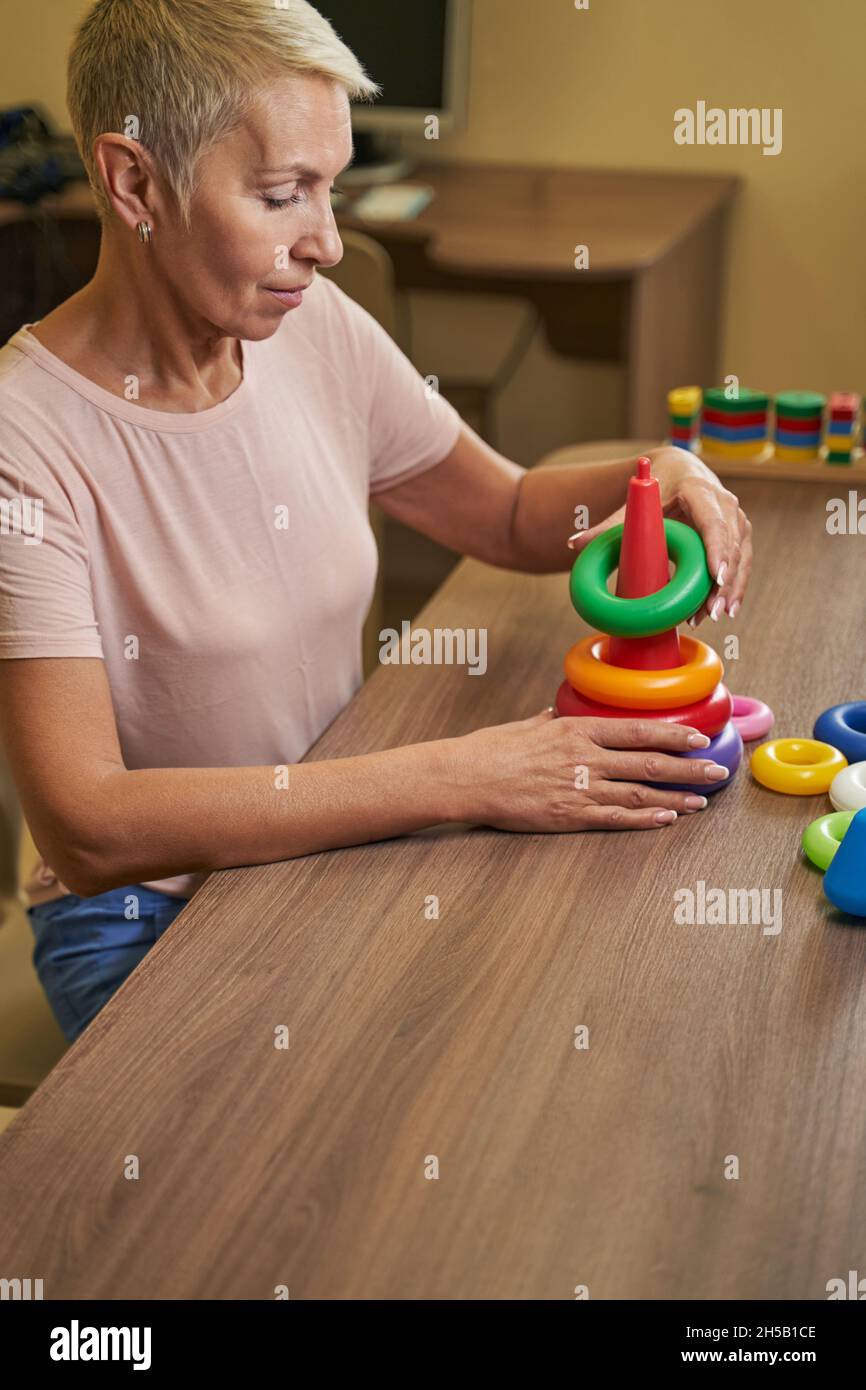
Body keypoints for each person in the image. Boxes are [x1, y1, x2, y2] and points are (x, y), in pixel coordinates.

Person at [0, 0, 752, 1043]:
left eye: (330, 189)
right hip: (144, 916)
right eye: (280, 195)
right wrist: (464, 774)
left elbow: (500, 512)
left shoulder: (310, 333)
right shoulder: (23, 441)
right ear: (134, 182)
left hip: (333, 841)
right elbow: (86, 828)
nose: (328, 244)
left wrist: (647, 479)